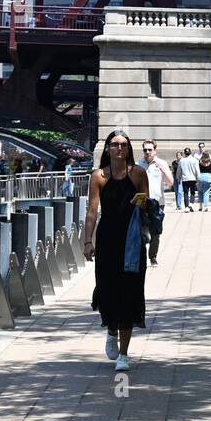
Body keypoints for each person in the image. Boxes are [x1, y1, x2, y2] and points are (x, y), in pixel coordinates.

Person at [83, 129, 151, 372]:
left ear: (129, 149)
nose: (119, 148)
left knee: (130, 294)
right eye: (114, 144)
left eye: (123, 145)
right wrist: (87, 241)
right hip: (107, 240)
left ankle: (124, 354)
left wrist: (142, 204)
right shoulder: (99, 176)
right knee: (107, 290)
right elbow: (92, 211)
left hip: (131, 241)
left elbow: (146, 207)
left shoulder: (139, 174)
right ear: (108, 148)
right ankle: (111, 330)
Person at [136, 140, 173, 266]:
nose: (147, 152)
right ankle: (140, 256)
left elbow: (170, 182)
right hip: (142, 201)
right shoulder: (138, 164)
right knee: (141, 231)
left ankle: (152, 256)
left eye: (150, 150)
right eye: (145, 150)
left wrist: (162, 170)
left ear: (154, 150)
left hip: (157, 203)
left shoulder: (161, 163)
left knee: (156, 232)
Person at [178, 147, 199, 211]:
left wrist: (178, 178)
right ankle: (191, 203)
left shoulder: (181, 160)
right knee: (192, 192)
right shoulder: (194, 160)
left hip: (185, 179)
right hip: (193, 178)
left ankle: (186, 207)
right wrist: (198, 178)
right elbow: (197, 170)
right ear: (190, 152)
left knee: (185, 193)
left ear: (184, 153)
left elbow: (179, 171)